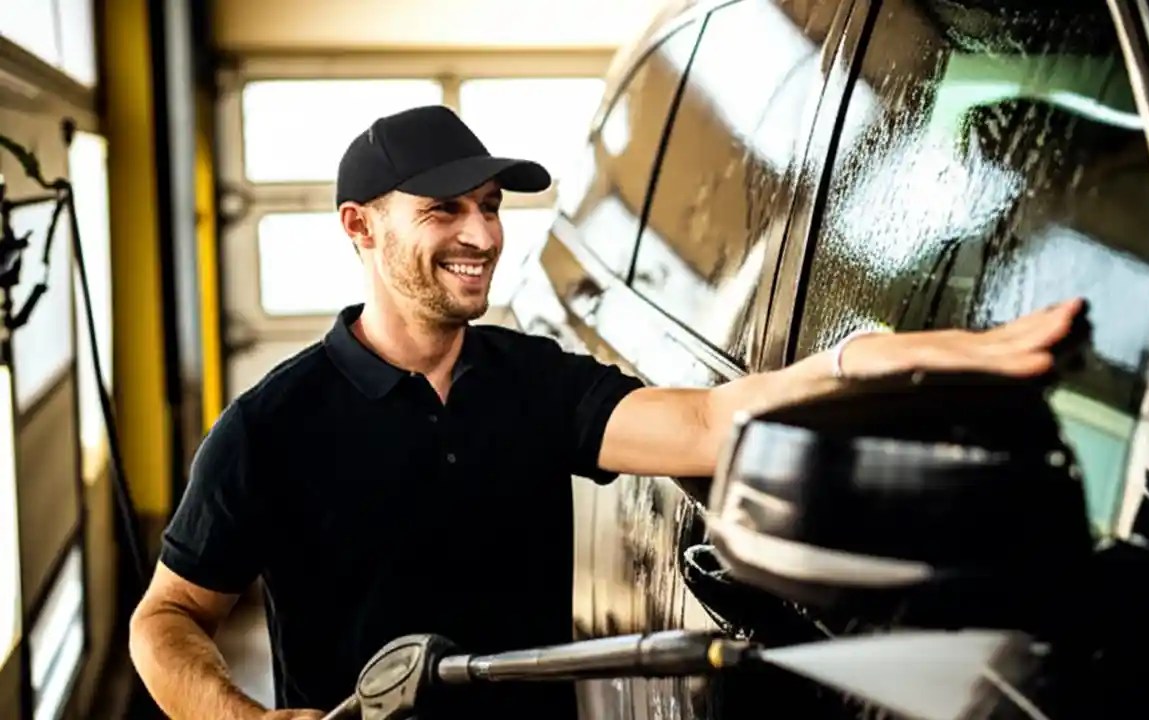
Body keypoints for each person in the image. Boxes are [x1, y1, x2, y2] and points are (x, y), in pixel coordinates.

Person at [127, 105, 1084, 720]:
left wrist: (875, 356)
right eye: (445, 212)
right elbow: (168, 617)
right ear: (357, 227)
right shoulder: (270, 426)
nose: (484, 236)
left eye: (492, 206)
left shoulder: (529, 380)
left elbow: (711, 424)